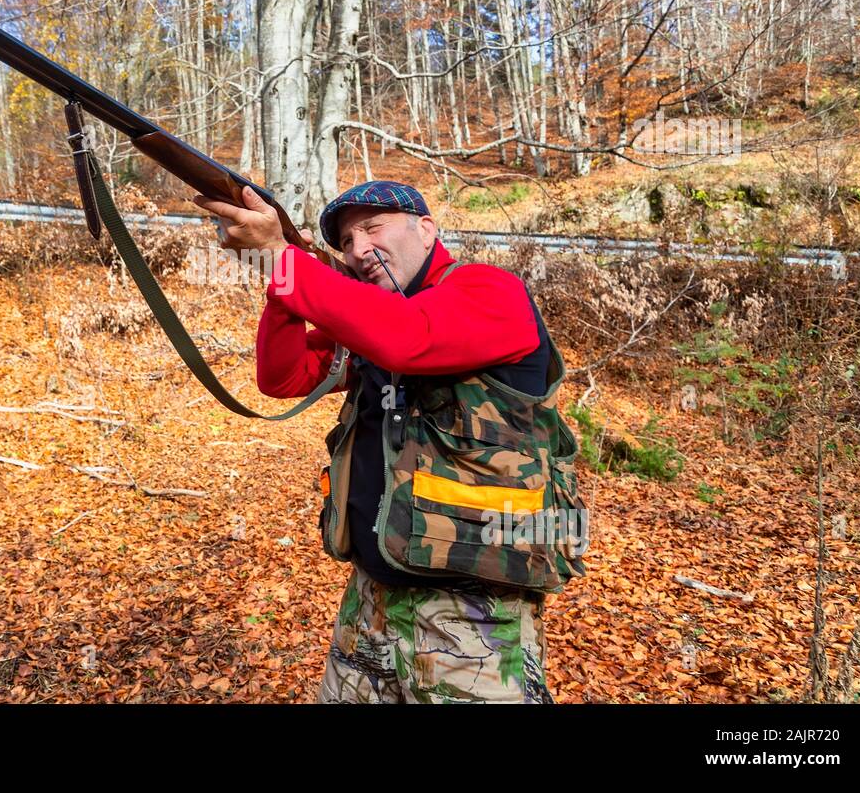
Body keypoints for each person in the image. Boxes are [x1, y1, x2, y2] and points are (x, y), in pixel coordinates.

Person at [194, 180, 585, 703]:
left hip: (473, 615)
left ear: (426, 229)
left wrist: (285, 260)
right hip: (370, 597)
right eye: (347, 242)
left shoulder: (492, 292)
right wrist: (278, 274)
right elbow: (283, 377)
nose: (358, 250)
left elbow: (409, 339)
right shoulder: (370, 314)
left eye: (372, 228)